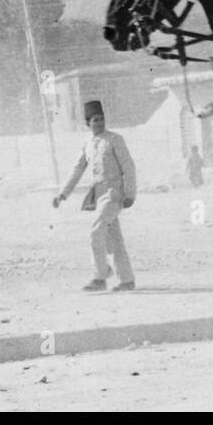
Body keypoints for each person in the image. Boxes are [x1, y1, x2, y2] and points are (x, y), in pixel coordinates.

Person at [52, 100, 138, 291]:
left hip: (114, 194)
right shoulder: (88, 144)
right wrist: (62, 194)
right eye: (95, 120)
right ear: (87, 123)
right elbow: (77, 170)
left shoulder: (115, 140)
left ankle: (100, 276)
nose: (99, 123)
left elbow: (128, 167)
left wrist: (130, 193)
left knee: (96, 232)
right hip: (98, 195)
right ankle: (127, 280)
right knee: (115, 239)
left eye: (101, 119)